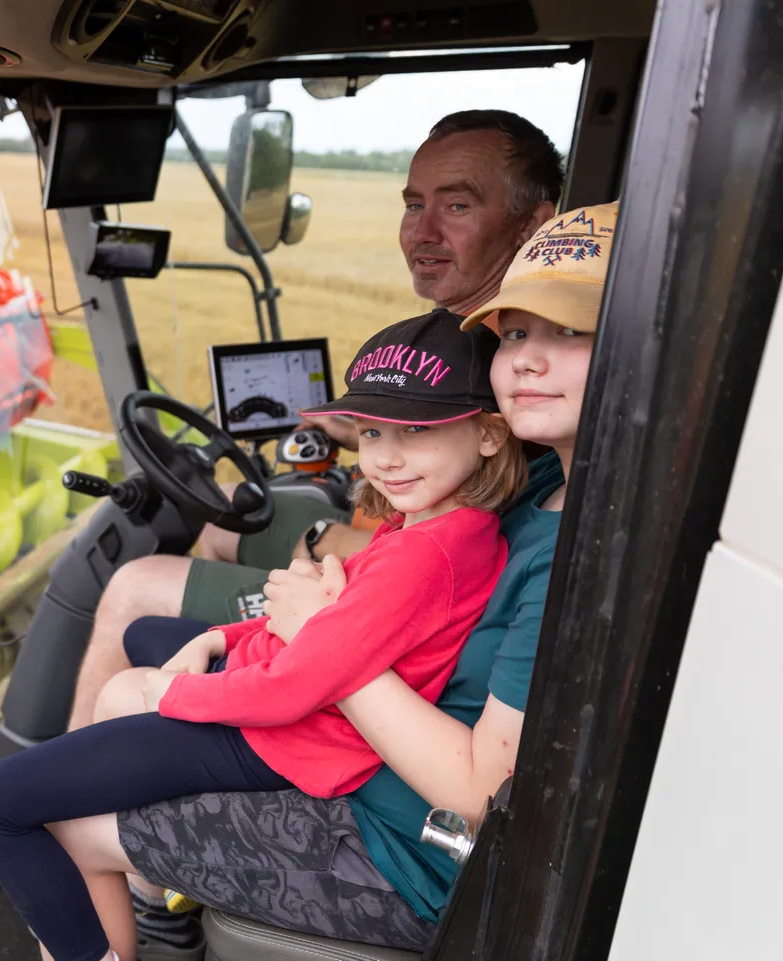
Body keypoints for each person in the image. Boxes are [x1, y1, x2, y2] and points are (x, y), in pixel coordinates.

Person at [40, 201, 619, 959]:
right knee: (147, 666)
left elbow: (482, 793)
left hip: (400, 852)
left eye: (571, 331)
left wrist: (321, 634)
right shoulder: (545, 478)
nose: (528, 360)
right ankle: (163, 897)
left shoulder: (571, 555)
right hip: (373, 773)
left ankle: (159, 911)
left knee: (68, 824)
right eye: (514, 334)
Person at [0, 310, 531, 961]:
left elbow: (293, 688)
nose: (385, 457)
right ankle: (151, 890)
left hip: (291, 740)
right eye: (372, 430)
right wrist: (219, 641)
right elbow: (330, 632)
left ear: (489, 434)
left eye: (415, 430)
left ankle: (127, 914)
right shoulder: (433, 527)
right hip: (311, 720)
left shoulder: (422, 555)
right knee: (148, 630)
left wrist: (170, 692)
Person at [66, 109, 565, 734]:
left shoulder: (522, 377)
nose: (422, 233)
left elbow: (459, 555)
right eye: (414, 206)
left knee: (134, 589)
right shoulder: (462, 343)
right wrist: (359, 433)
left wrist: (320, 544)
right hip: (385, 554)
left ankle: (81, 798)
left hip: (405, 609)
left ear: (533, 227)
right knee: (225, 508)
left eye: (458, 207)